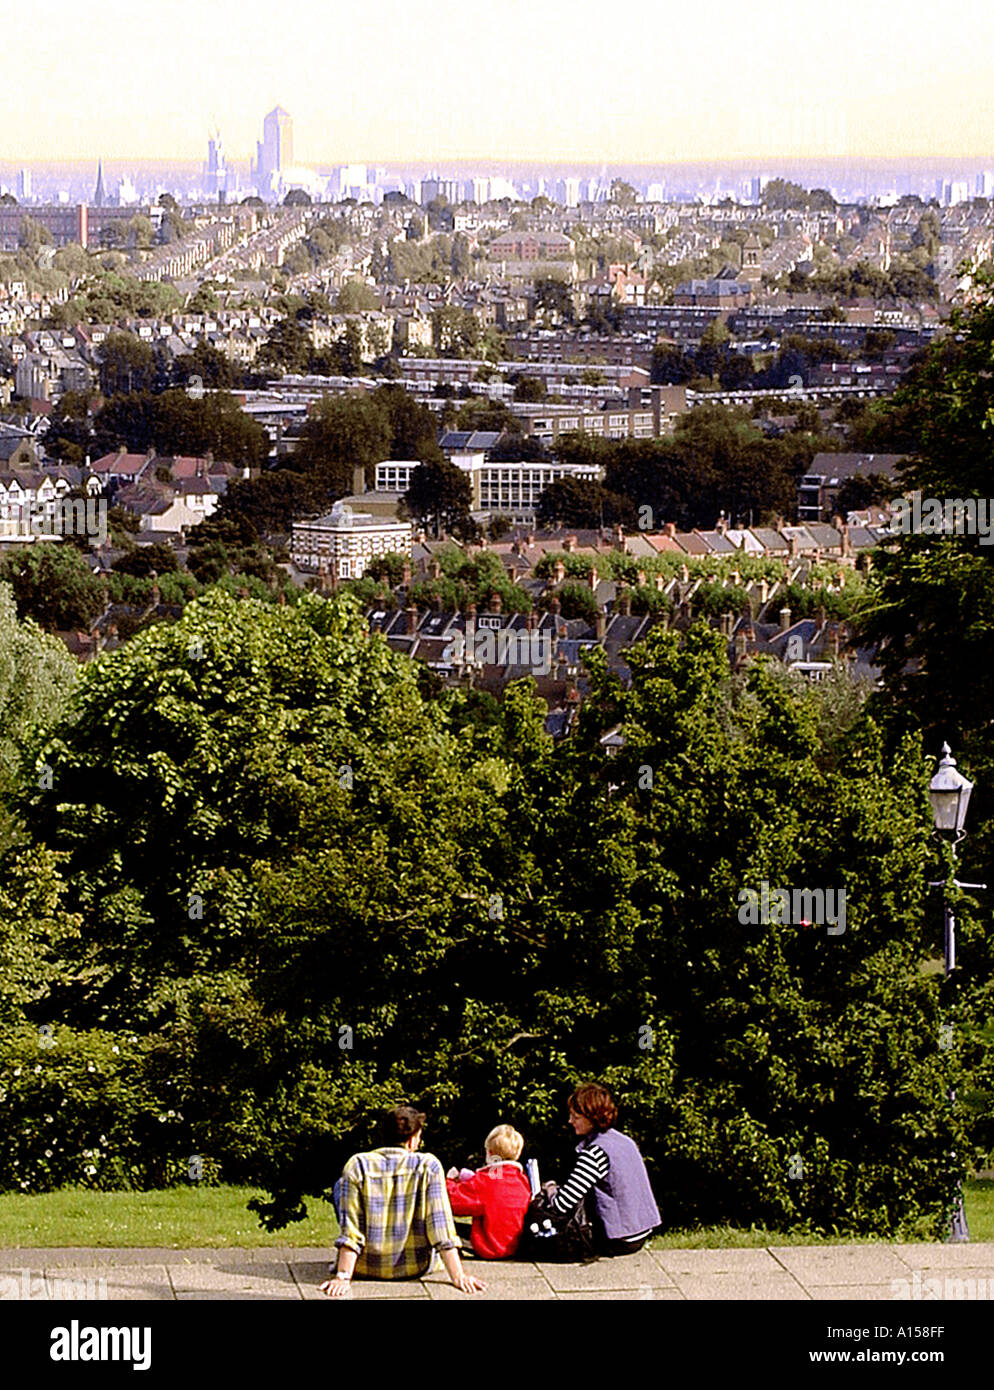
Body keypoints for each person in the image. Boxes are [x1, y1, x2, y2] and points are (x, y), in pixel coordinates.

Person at [319, 1104, 486, 1297]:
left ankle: (347, 1264)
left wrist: (342, 1276)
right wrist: (458, 1276)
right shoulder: (428, 1166)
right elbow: (440, 1226)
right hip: (415, 1266)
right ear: (412, 1139)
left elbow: (352, 1228)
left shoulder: (358, 1165)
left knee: (341, 1185)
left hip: (365, 1267)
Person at [550, 1082, 660, 1256]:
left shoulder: (595, 1153)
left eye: (575, 1117)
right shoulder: (625, 1141)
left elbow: (562, 1203)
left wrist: (550, 1191)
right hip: (642, 1231)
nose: (570, 1121)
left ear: (592, 1117)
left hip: (619, 1239)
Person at [445, 1124, 532, 1259]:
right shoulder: (521, 1180)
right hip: (513, 1245)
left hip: (490, 1246)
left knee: (445, 1225)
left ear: (490, 1153)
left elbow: (454, 1202)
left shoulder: (486, 1181)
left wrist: (449, 1180)